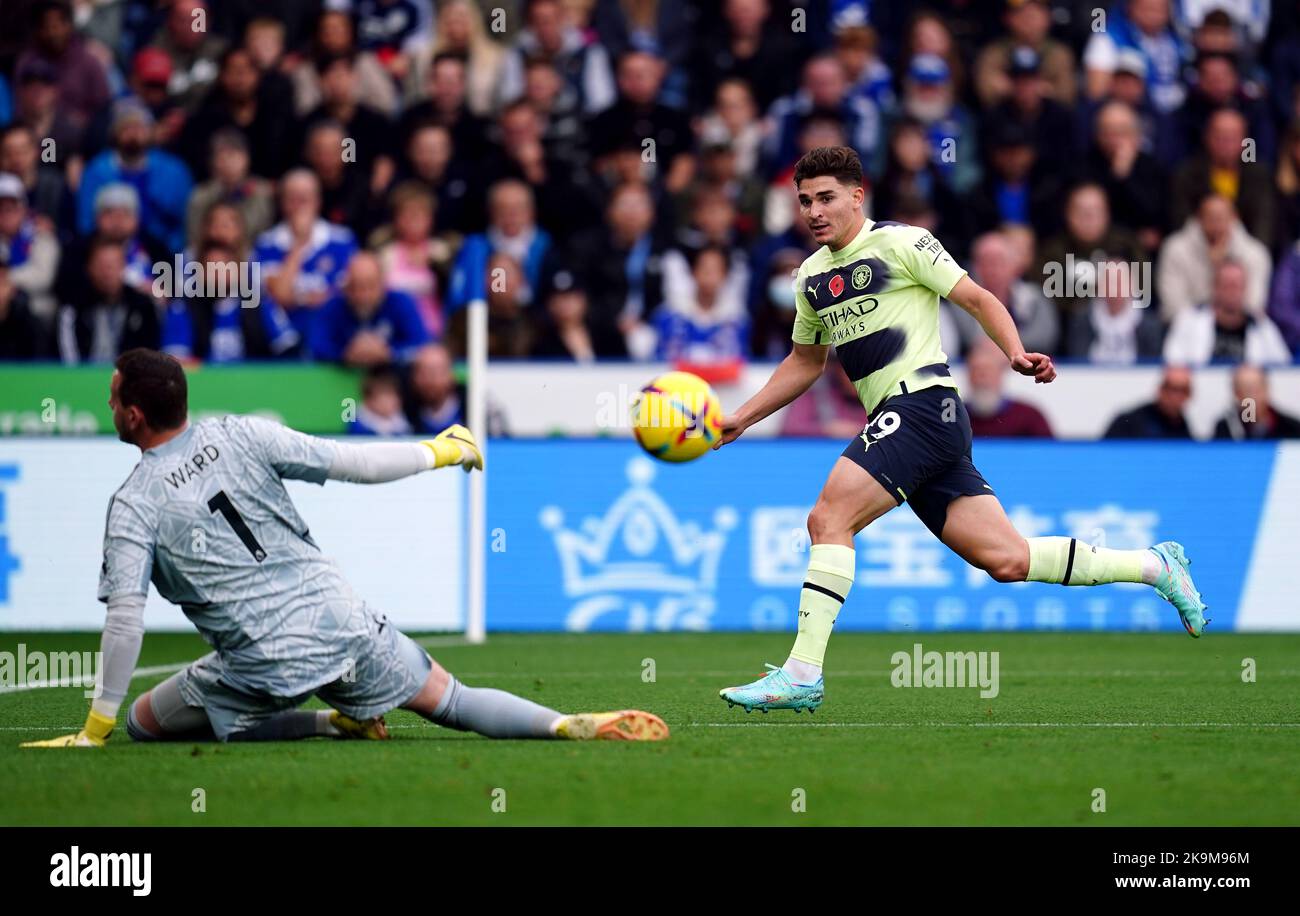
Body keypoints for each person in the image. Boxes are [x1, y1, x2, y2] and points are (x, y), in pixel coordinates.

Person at [714, 146, 1210, 715]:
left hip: (924, 408)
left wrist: (1016, 352)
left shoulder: (902, 243)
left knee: (828, 518)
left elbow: (976, 297)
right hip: (907, 424)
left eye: (826, 197)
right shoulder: (810, 277)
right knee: (1008, 560)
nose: (814, 211)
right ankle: (1155, 566)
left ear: (858, 195)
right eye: (804, 201)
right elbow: (806, 363)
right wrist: (740, 418)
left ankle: (802, 672)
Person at [22, 349, 667, 748]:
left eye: (113, 397)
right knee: (453, 700)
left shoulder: (134, 502)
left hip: (259, 661)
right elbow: (352, 463)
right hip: (340, 620)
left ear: (133, 416)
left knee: (145, 721)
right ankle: (559, 725)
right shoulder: (244, 433)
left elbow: (126, 618)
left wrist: (97, 725)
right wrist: (438, 450)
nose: (110, 404)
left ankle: (325, 724)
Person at [1103, 365, 1195, 438]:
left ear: (1189, 395)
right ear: (1160, 390)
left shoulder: (1182, 427)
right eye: (1173, 389)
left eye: (1184, 390)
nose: (1177, 396)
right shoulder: (1129, 423)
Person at [1212, 364, 1300, 440]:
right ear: (1237, 394)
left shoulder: (1292, 428)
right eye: (1248, 390)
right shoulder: (1225, 429)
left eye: (1258, 389)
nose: (1254, 397)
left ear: (1267, 388)